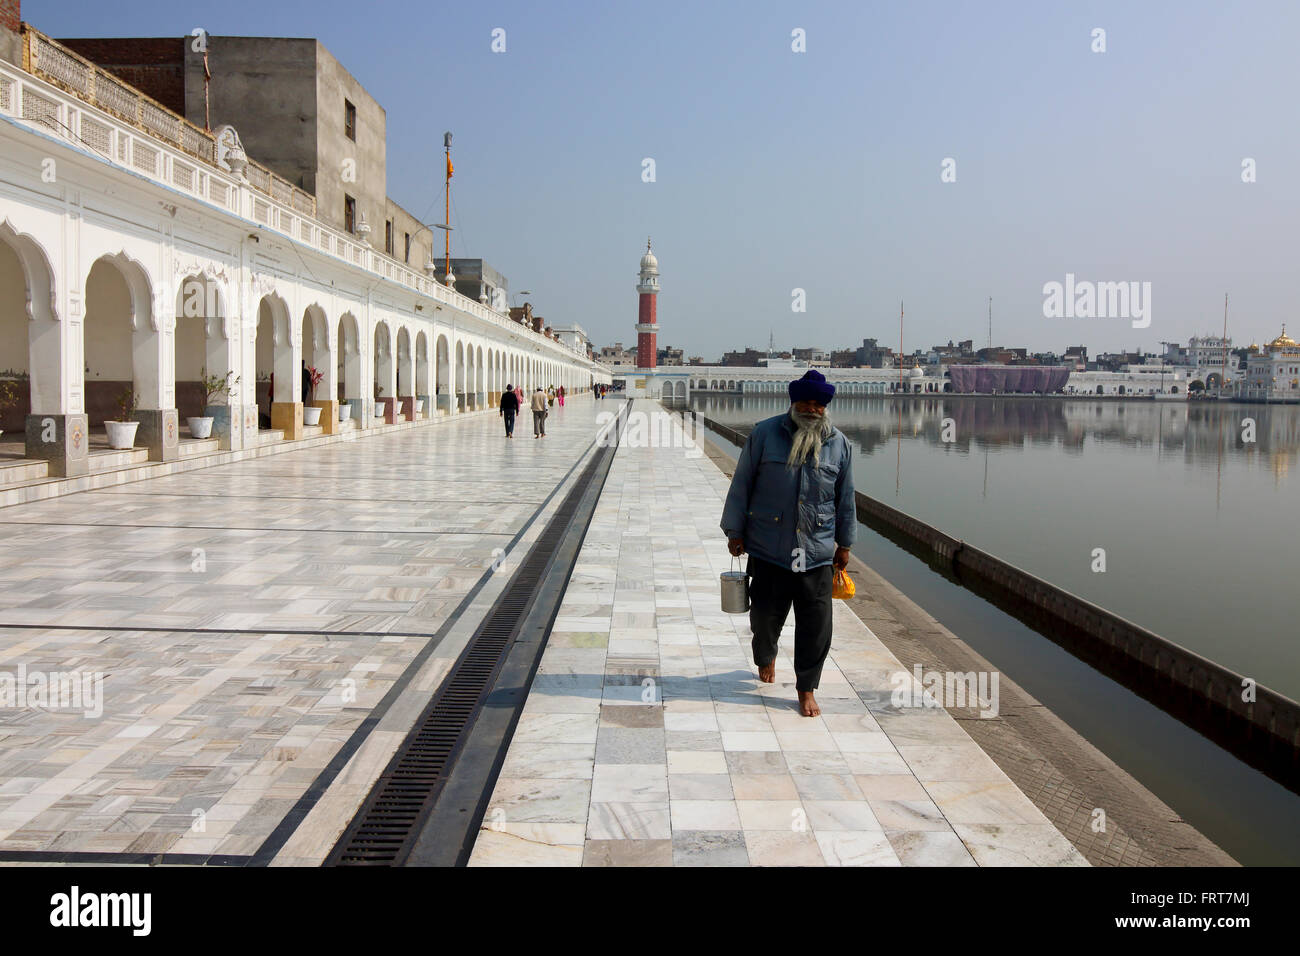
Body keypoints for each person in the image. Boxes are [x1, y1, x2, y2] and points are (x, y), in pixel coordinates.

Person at [719, 369, 855, 717]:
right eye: (806, 402)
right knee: (764, 617)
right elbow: (743, 483)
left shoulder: (839, 444)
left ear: (826, 407)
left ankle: (806, 688)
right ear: (793, 402)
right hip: (770, 547)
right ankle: (766, 655)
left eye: (819, 404)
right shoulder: (765, 434)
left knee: (816, 625)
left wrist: (845, 543)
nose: (813, 409)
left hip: (817, 551)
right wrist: (735, 531)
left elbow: (846, 498)